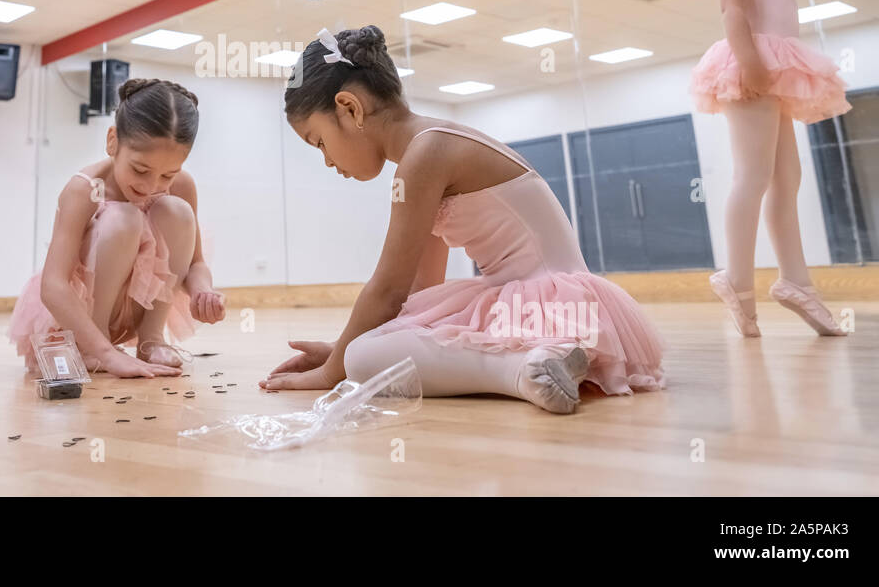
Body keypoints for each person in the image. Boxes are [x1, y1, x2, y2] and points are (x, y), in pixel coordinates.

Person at [262, 26, 666, 414]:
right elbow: (418, 293)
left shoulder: (426, 154)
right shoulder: (428, 146)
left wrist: (336, 369)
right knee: (365, 349)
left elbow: (387, 290)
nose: (328, 161)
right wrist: (341, 347)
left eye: (319, 142)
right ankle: (545, 357)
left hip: (545, 301)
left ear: (350, 108)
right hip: (547, 300)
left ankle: (526, 368)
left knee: (364, 359)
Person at [683, 0, 850, 337]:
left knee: (786, 177)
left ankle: (795, 280)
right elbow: (732, 11)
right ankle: (736, 279)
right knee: (752, 176)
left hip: (769, 65)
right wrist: (752, 63)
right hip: (752, 66)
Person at [9, 79, 226, 378]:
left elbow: (195, 263)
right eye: (140, 170)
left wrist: (203, 291)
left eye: (168, 174)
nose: (152, 186)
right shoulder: (84, 189)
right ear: (113, 141)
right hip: (79, 320)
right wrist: (106, 354)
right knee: (124, 218)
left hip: (134, 311)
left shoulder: (182, 186)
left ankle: (151, 340)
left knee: (177, 210)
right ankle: (92, 348)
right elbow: (53, 285)